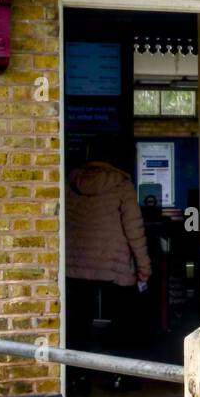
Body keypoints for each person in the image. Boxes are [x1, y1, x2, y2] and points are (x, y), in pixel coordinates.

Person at [65, 153, 152, 380]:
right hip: (115, 265)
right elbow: (134, 230)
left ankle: (76, 377)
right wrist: (144, 268)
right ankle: (117, 376)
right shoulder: (122, 185)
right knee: (122, 321)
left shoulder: (72, 183)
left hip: (77, 264)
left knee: (77, 324)